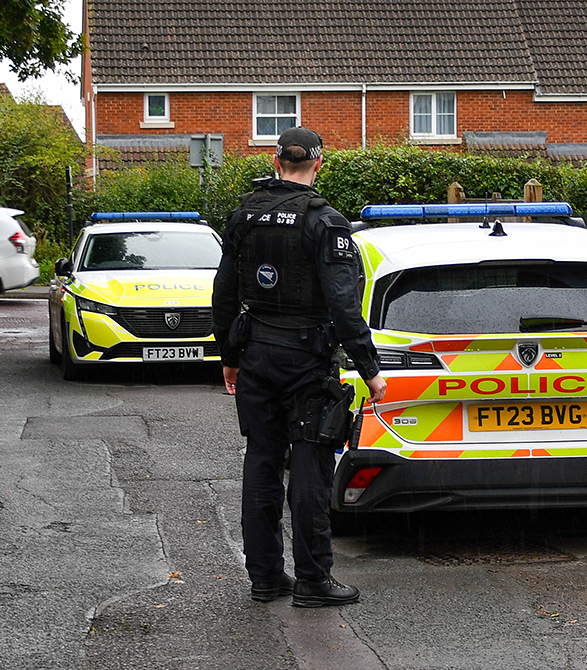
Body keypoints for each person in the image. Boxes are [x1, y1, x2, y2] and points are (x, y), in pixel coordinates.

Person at [212, 126, 387, 608]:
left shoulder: (244, 214)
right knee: (309, 464)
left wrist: (229, 357)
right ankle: (312, 579)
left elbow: (223, 292)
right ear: (318, 164)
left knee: (262, 461)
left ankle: (266, 577)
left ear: (275, 162)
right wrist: (369, 368)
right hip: (307, 361)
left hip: (255, 356)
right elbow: (343, 304)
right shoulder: (324, 221)